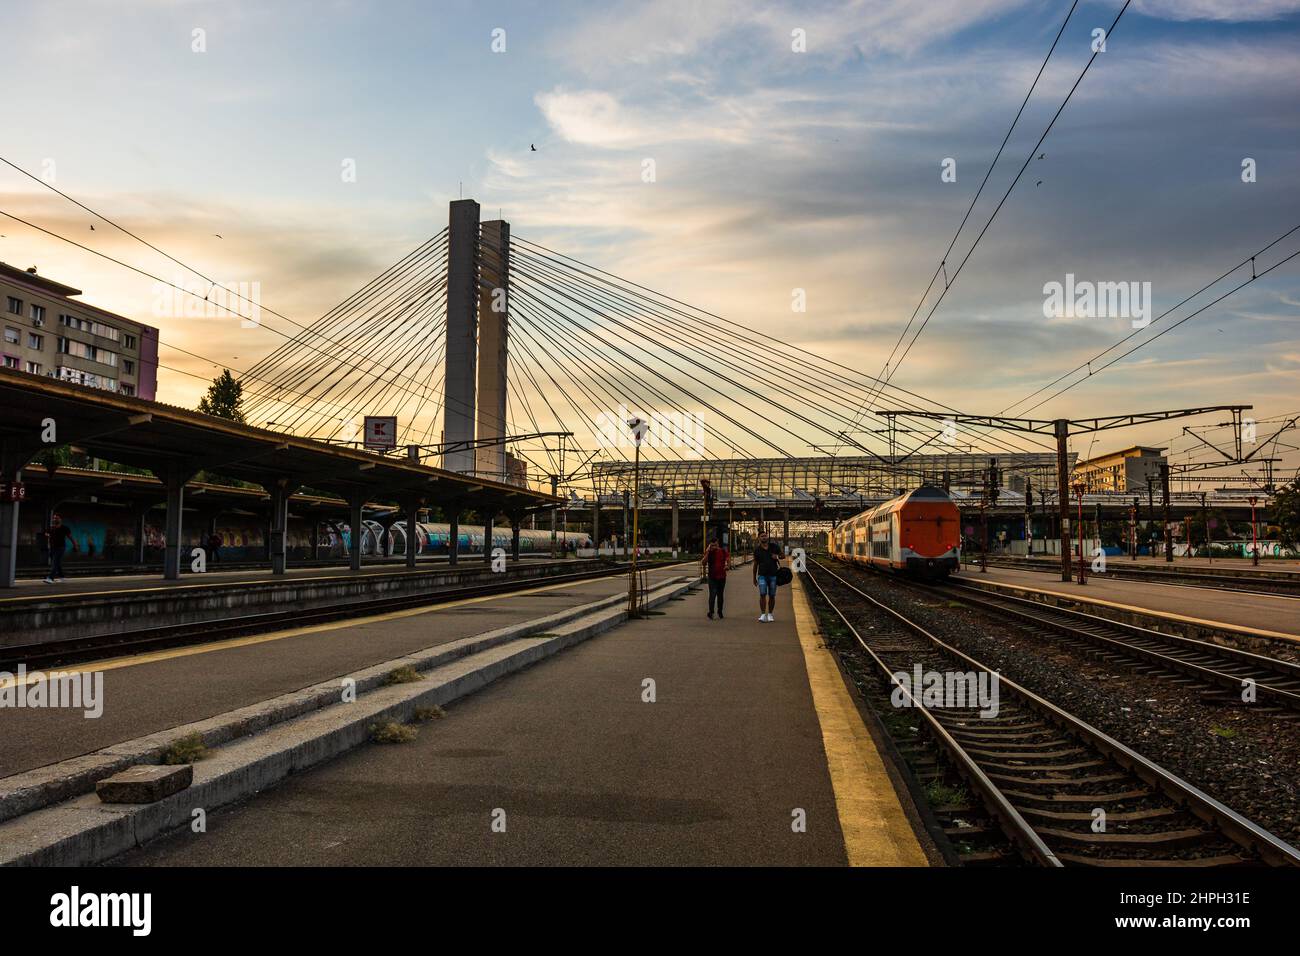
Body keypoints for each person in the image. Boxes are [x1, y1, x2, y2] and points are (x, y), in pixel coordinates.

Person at [753, 529, 782, 622]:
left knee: (772, 595)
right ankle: (762, 614)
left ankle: (770, 614)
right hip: (762, 575)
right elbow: (755, 564)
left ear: (767, 537)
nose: (764, 537)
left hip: (773, 575)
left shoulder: (774, 547)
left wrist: (777, 556)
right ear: (759, 538)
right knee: (762, 594)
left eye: (765, 536)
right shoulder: (757, 550)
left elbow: (783, 556)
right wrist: (754, 578)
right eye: (762, 536)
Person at [44, 513, 79, 583]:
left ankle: (50, 578)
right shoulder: (51, 527)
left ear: (60, 519)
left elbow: (70, 537)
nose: (55, 519)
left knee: (55, 563)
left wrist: (75, 545)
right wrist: (48, 535)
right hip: (52, 548)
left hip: (60, 548)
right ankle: (62, 577)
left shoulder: (65, 528)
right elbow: (46, 533)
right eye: (54, 518)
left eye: (56, 518)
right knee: (57, 563)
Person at [702, 532, 729, 619]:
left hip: (722, 577)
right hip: (712, 577)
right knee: (712, 594)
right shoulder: (709, 552)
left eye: (715, 545)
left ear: (718, 544)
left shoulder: (723, 551)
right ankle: (711, 612)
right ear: (710, 545)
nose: (714, 547)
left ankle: (720, 611)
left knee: (720, 595)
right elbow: (703, 563)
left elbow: (728, 560)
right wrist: (707, 552)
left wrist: (727, 566)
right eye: (712, 545)